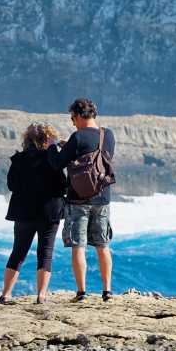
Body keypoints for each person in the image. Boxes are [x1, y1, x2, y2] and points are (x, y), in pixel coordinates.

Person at [52, 98, 117, 302]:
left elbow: (58, 163)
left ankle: (81, 292)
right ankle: (107, 291)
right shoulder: (108, 135)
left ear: (79, 115)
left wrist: (54, 147)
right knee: (102, 245)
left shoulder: (77, 137)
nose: (73, 122)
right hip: (102, 198)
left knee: (78, 246)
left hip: (78, 200)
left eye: (73, 118)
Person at [0, 123, 65, 304]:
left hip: (23, 211)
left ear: (27, 139)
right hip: (49, 212)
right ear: (48, 139)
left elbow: (11, 185)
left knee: (18, 252)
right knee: (45, 253)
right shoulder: (53, 159)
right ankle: (41, 296)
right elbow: (62, 186)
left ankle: (5, 294)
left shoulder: (19, 159)